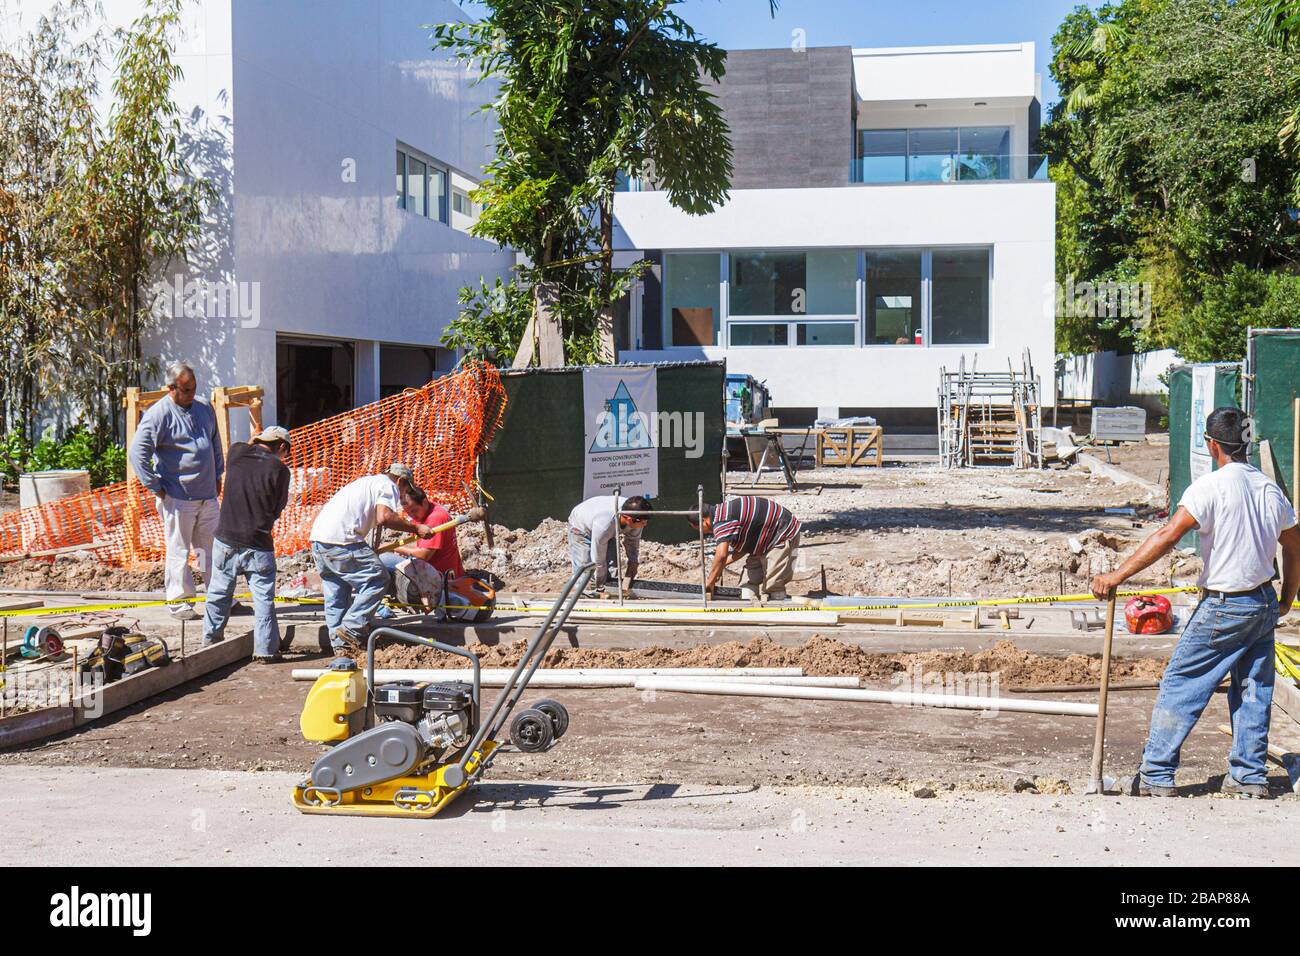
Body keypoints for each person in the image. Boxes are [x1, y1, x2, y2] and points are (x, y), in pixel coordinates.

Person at [1091, 407, 1300, 799]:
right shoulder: (1270, 490)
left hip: (1225, 604)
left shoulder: (1210, 488)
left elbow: (1169, 535)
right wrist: (1286, 597)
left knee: (1182, 683)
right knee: (1254, 687)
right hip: (1262, 602)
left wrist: (1115, 576)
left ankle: (1156, 773)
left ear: (1212, 444)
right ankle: (1249, 776)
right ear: (1247, 444)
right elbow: (1294, 545)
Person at [128, 361, 224, 621]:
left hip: (207, 496)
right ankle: (179, 602)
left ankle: (219, 597)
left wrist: (218, 473)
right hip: (178, 497)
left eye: (194, 388)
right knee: (179, 550)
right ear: (172, 388)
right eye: (186, 390)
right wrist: (158, 488)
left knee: (210, 549)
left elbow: (215, 441)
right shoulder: (158, 415)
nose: (192, 394)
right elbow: (137, 454)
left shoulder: (204, 408)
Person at [309, 464, 438, 650]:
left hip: (319, 541)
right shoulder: (388, 485)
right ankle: (352, 627)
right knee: (378, 579)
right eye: (406, 490)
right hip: (343, 541)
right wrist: (416, 528)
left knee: (337, 593)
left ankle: (342, 647)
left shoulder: (367, 482)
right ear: (400, 481)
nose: (403, 496)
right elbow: (384, 517)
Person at [202, 426, 292, 661]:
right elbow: (277, 508)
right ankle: (265, 651)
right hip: (258, 541)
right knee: (263, 600)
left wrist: (257, 436)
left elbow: (248, 441)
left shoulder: (236, 453)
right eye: (286, 451)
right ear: (281, 447)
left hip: (226, 539)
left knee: (218, 594)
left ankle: (210, 642)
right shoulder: (280, 470)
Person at [690, 495, 801, 602]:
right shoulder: (722, 513)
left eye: (698, 528)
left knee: (773, 585)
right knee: (747, 585)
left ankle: (777, 608)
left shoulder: (721, 521)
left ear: (704, 521)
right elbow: (741, 550)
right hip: (762, 540)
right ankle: (750, 607)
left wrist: (710, 583)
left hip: (782, 532)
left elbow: (721, 555)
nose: (701, 532)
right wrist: (721, 567)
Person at [567, 494, 652, 593]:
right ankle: (583, 597)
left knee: (612, 570)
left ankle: (612, 593)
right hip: (581, 526)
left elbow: (632, 541)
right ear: (628, 519)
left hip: (606, 527)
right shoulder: (604, 525)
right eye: (643, 522)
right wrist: (599, 586)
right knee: (587, 570)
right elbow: (598, 560)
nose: (645, 524)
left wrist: (633, 561)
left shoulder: (637, 514)